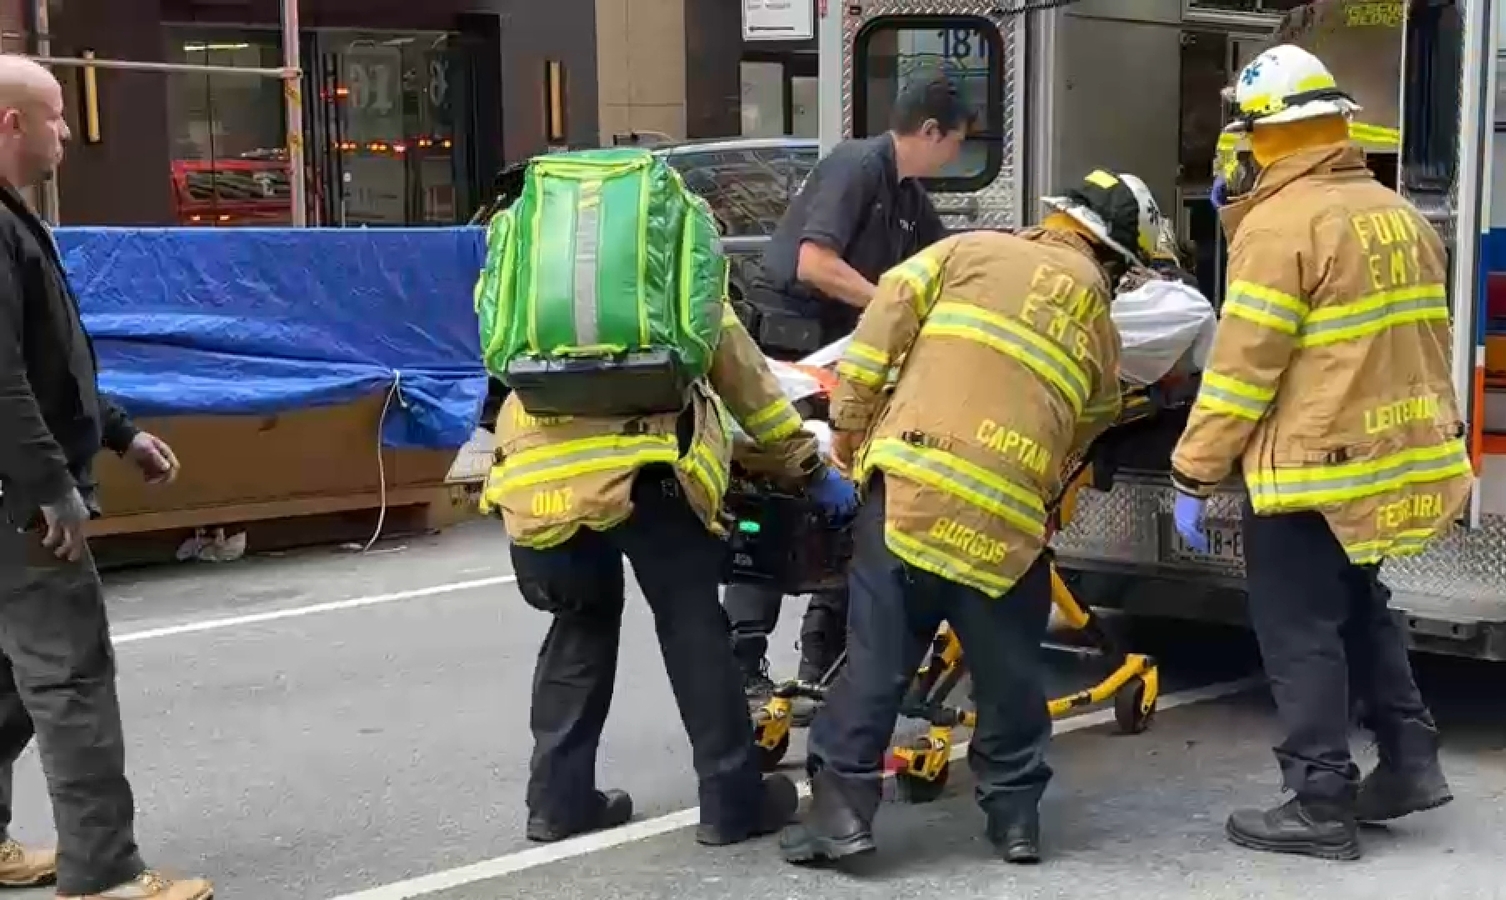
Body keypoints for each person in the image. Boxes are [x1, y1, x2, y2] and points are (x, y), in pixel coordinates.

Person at [780, 170, 1161, 868]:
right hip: (1006, 521)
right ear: (1111, 256)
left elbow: (885, 316)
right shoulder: (1100, 328)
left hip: (913, 494)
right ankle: (1015, 821)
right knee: (1009, 671)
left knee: (877, 663)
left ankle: (840, 820)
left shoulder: (967, 252)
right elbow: (1094, 418)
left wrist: (850, 431)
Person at [1172, 44, 1467, 862]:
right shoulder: (1394, 210)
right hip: (1381, 463)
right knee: (1364, 613)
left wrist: (1194, 471)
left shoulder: (1281, 226)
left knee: (1300, 629)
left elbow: (1242, 367)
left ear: (1267, 136)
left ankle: (1318, 802)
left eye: (1246, 136)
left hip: (1311, 469)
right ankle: (1408, 761)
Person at [482, 297, 857, 847]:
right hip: (649, 465)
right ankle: (733, 802)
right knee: (691, 623)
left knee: (580, 616)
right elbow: (742, 376)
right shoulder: (671, 230)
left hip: (536, 469)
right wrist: (805, 464)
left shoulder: (528, 229)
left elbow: (495, 348)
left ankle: (556, 802)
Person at [0, 56, 211, 900]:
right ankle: (104, 872)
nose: (65, 134)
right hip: (20, 504)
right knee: (71, 680)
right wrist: (51, 487)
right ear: (12, 124)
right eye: (54, 117)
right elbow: (3, 379)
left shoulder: (15, 223)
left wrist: (118, 432)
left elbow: (54, 363)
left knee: (12, 682)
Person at [730, 71, 970, 705]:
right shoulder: (857, 165)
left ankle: (822, 657)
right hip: (791, 347)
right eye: (955, 145)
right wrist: (892, 304)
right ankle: (742, 660)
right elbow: (814, 263)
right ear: (930, 132)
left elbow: (944, 265)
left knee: (850, 497)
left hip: (840, 357)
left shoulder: (908, 196)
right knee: (777, 495)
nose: (954, 160)